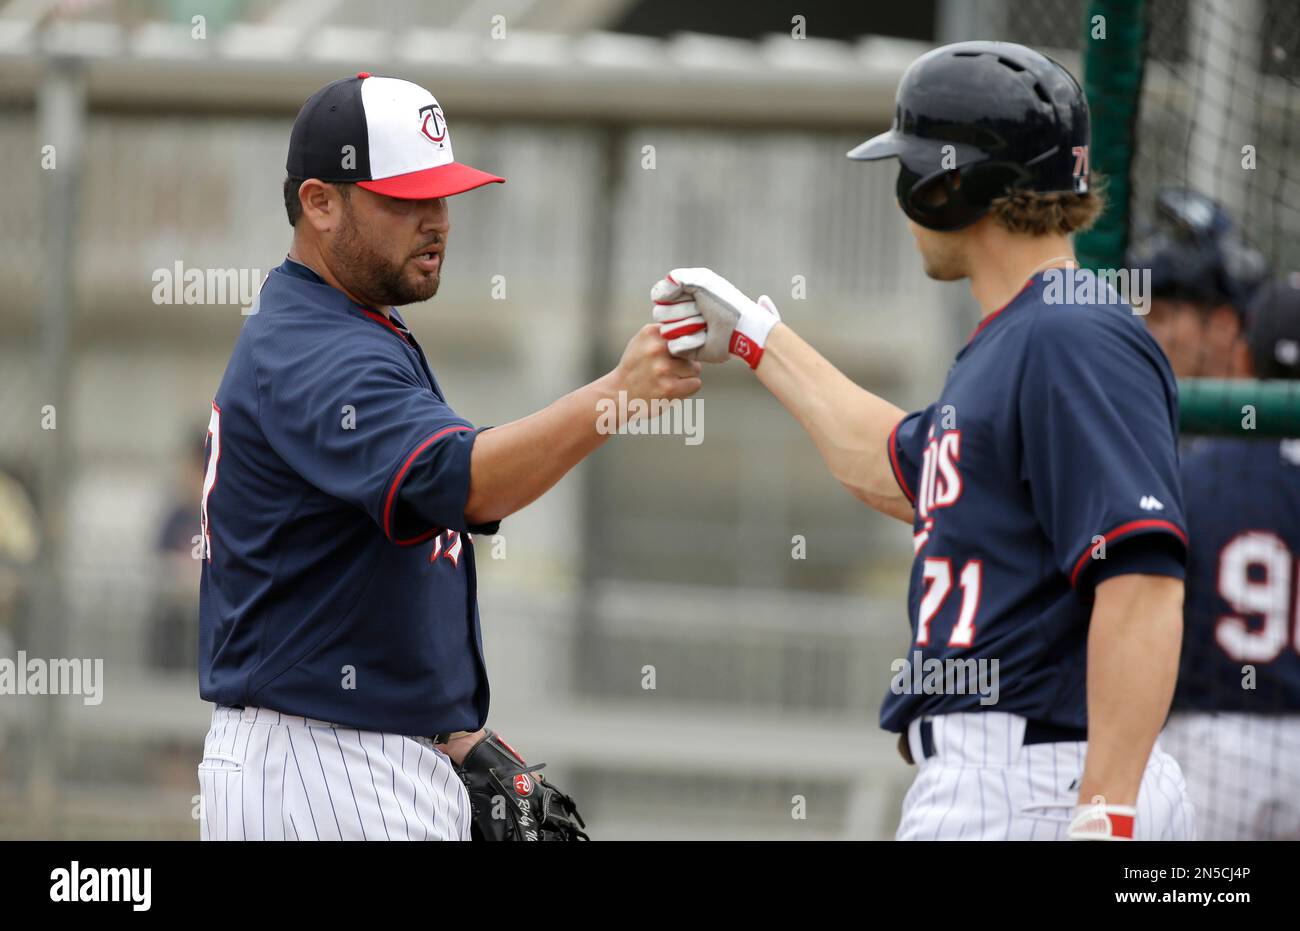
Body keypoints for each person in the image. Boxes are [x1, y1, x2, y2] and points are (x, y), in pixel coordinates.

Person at [651, 41, 1192, 840]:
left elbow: (1141, 580)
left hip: (1041, 773)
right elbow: (893, 467)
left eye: (913, 170)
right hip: (1023, 770)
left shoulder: (1068, 331)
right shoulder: (1025, 333)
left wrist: (1105, 812)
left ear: (956, 183)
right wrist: (757, 335)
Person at [198, 72, 700, 840]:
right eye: (405, 198)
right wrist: (621, 391)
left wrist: (456, 735)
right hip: (324, 767)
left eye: (444, 196)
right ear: (320, 203)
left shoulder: (357, 327)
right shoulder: (317, 349)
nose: (437, 220)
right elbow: (461, 481)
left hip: (353, 755)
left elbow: (370, 575)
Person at [1131, 192, 1300, 839]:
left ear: (1233, 333)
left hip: (1206, 743)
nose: (1151, 330)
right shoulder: (1162, 447)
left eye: (1169, 312)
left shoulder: (1191, 469)